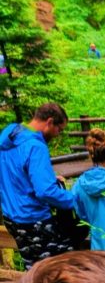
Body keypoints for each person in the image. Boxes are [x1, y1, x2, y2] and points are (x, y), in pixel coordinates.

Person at [0, 101, 79, 269]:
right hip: (34, 218)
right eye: (59, 129)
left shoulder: (9, 137)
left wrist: (48, 176)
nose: (58, 134)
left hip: (11, 216)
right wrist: (76, 199)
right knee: (63, 268)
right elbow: (45, 191)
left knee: (34, 268)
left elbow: (14, 172)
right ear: (50, 122)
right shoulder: (35, 146)